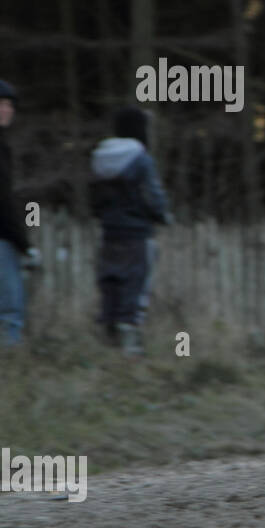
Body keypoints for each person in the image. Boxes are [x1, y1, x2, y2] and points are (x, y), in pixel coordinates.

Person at [90, 105, 171, 355]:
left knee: (111, 284)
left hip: (109, 233)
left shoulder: (100, 157)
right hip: (137, 233)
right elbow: (152, 195)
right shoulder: (142, 159)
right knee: (134, 287)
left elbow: (94, 200)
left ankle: (108, 344)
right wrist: (162, 215)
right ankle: (130, 350)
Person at [0, 77, 38, 346]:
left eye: (10, 105)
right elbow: (0, 198)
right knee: (8, 314)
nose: (6, 111)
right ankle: (5, 375)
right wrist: (23, 243)